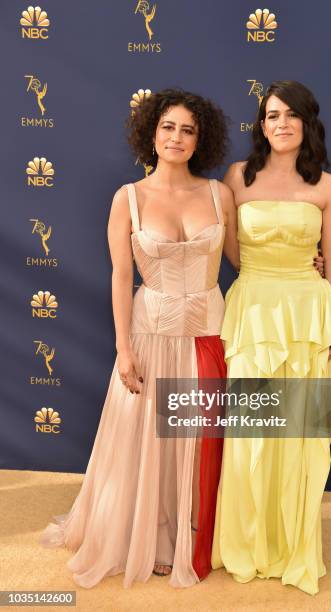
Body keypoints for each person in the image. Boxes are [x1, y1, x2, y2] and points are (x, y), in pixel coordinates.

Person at [39, 89, 239, 588]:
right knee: (147, 442)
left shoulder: (220, 194)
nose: (177, 137)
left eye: (188, 130)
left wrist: (306, 267)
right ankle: (147, 536)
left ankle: (188, 537)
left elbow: (246, 262)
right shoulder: (127, 197)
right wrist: (123, 349)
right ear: (151, 133)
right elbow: (119, 276)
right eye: (168, 127)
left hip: (208, 335)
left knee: (197, 443)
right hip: (149, 336)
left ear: (201, 140)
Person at [211, 80, 331, 595]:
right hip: (253, 312)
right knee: (251, 435)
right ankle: (248, 543)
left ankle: (293, 546)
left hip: (308, 314)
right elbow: (230, 253)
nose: (281, 123)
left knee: (301, 439)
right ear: (261, 124)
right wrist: (272, 269)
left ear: (307, 123)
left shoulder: (327, 187)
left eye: (291, 115)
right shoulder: (235, 179)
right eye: (272, 115)